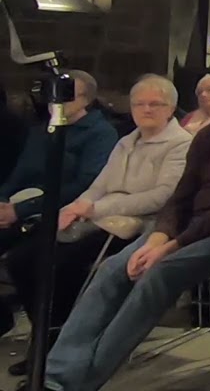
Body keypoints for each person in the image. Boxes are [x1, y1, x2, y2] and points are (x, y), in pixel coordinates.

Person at [36, 58, 210, 391]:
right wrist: (159, 236)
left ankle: (77, 382)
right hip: (189, 225)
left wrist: (169, 246)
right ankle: (55, 375)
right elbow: (181, 195)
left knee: (158, 273)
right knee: (112, 270)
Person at [0, 75, 190, 370]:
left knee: (60, 266)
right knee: (22, 260)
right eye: (140, 103)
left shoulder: (180, 144)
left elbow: (161, 197)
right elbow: (99, 184)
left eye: (156, 104)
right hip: (101, 217)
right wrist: (78, 206)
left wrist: (93, 207)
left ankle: (65, 347)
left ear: (171, 108)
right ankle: (45, 337)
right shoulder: (128, 140)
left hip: (140, 225)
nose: (146, 109)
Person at [0, 70, 117, 254]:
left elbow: (84, 185)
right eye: (53, 94)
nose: (56, 102)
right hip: (18, 205)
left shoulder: (100, 135)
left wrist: (20, 210)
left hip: (55, 213)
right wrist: (3, 200)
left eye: (66, 96)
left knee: (24, 258)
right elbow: (19, 173)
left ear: (86, 100)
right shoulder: (40, 131)